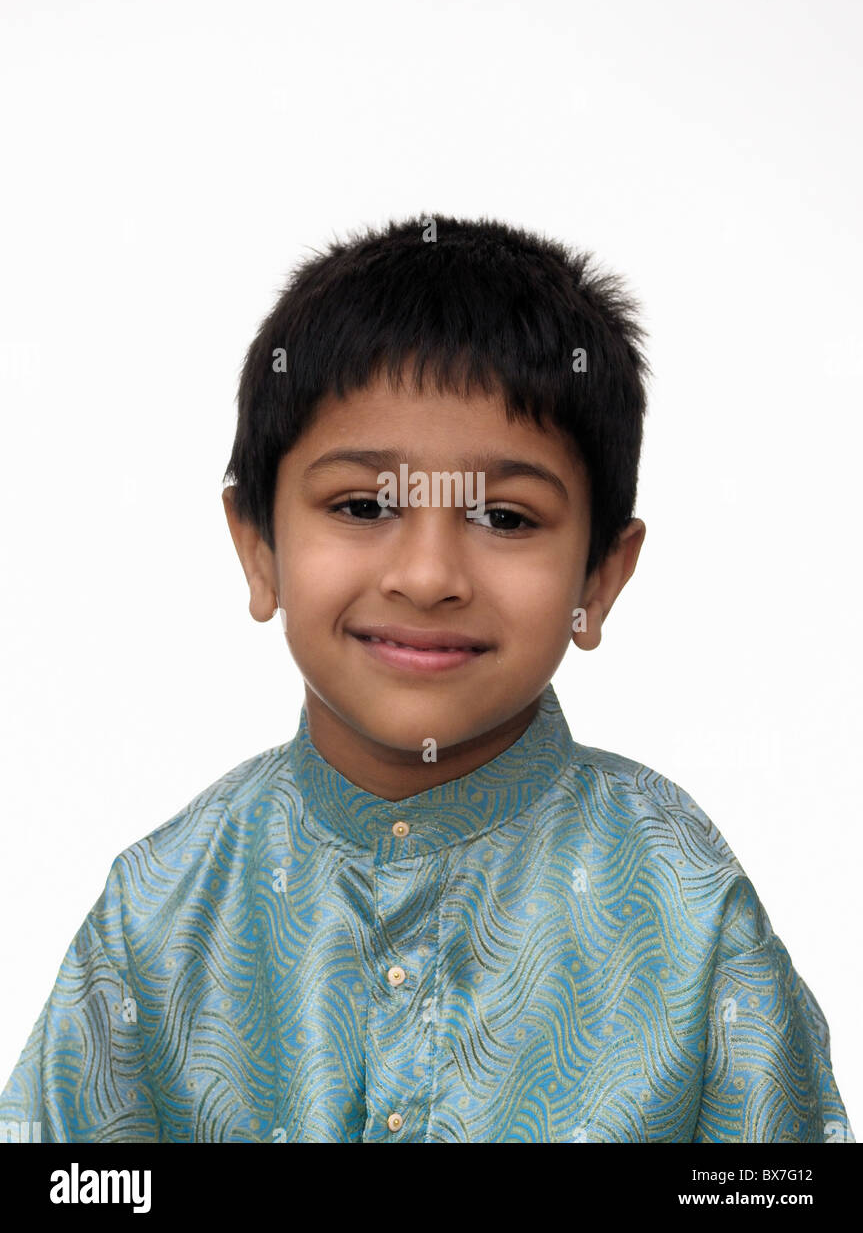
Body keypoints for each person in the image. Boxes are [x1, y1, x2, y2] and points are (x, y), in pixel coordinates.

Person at [0, 214, 853, 1143]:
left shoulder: (686, 908)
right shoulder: (160, 913)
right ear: (259, 547)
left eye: (506, 517)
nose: (428, 575)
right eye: (364, 504)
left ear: (600, 576)